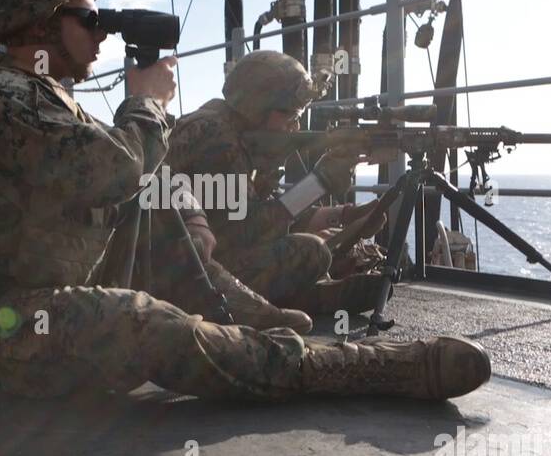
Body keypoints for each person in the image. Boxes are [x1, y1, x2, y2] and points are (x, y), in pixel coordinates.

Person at [0, 0, 490, 402]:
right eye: (90, 21)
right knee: (137, 323)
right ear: (43, 22)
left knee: (160, 203)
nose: (102, 34)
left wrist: (183, 195)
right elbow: (114, 168)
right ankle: (346, 369)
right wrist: (146, 102)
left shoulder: (38, 95)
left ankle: (244, 317)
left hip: (33, 286)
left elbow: (137, 183)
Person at [166, 50, 390, 316]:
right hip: (184, 279)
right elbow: (246, 231)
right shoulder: (219, 140)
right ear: (259, 107)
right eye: (291, 116)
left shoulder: (220, 126)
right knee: (312, 252)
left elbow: (253, 215)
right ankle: (307, 300)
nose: (294, 128)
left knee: (315, 248)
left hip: (186, 262)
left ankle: (305, 298)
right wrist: (319, 182)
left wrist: (342, 215)